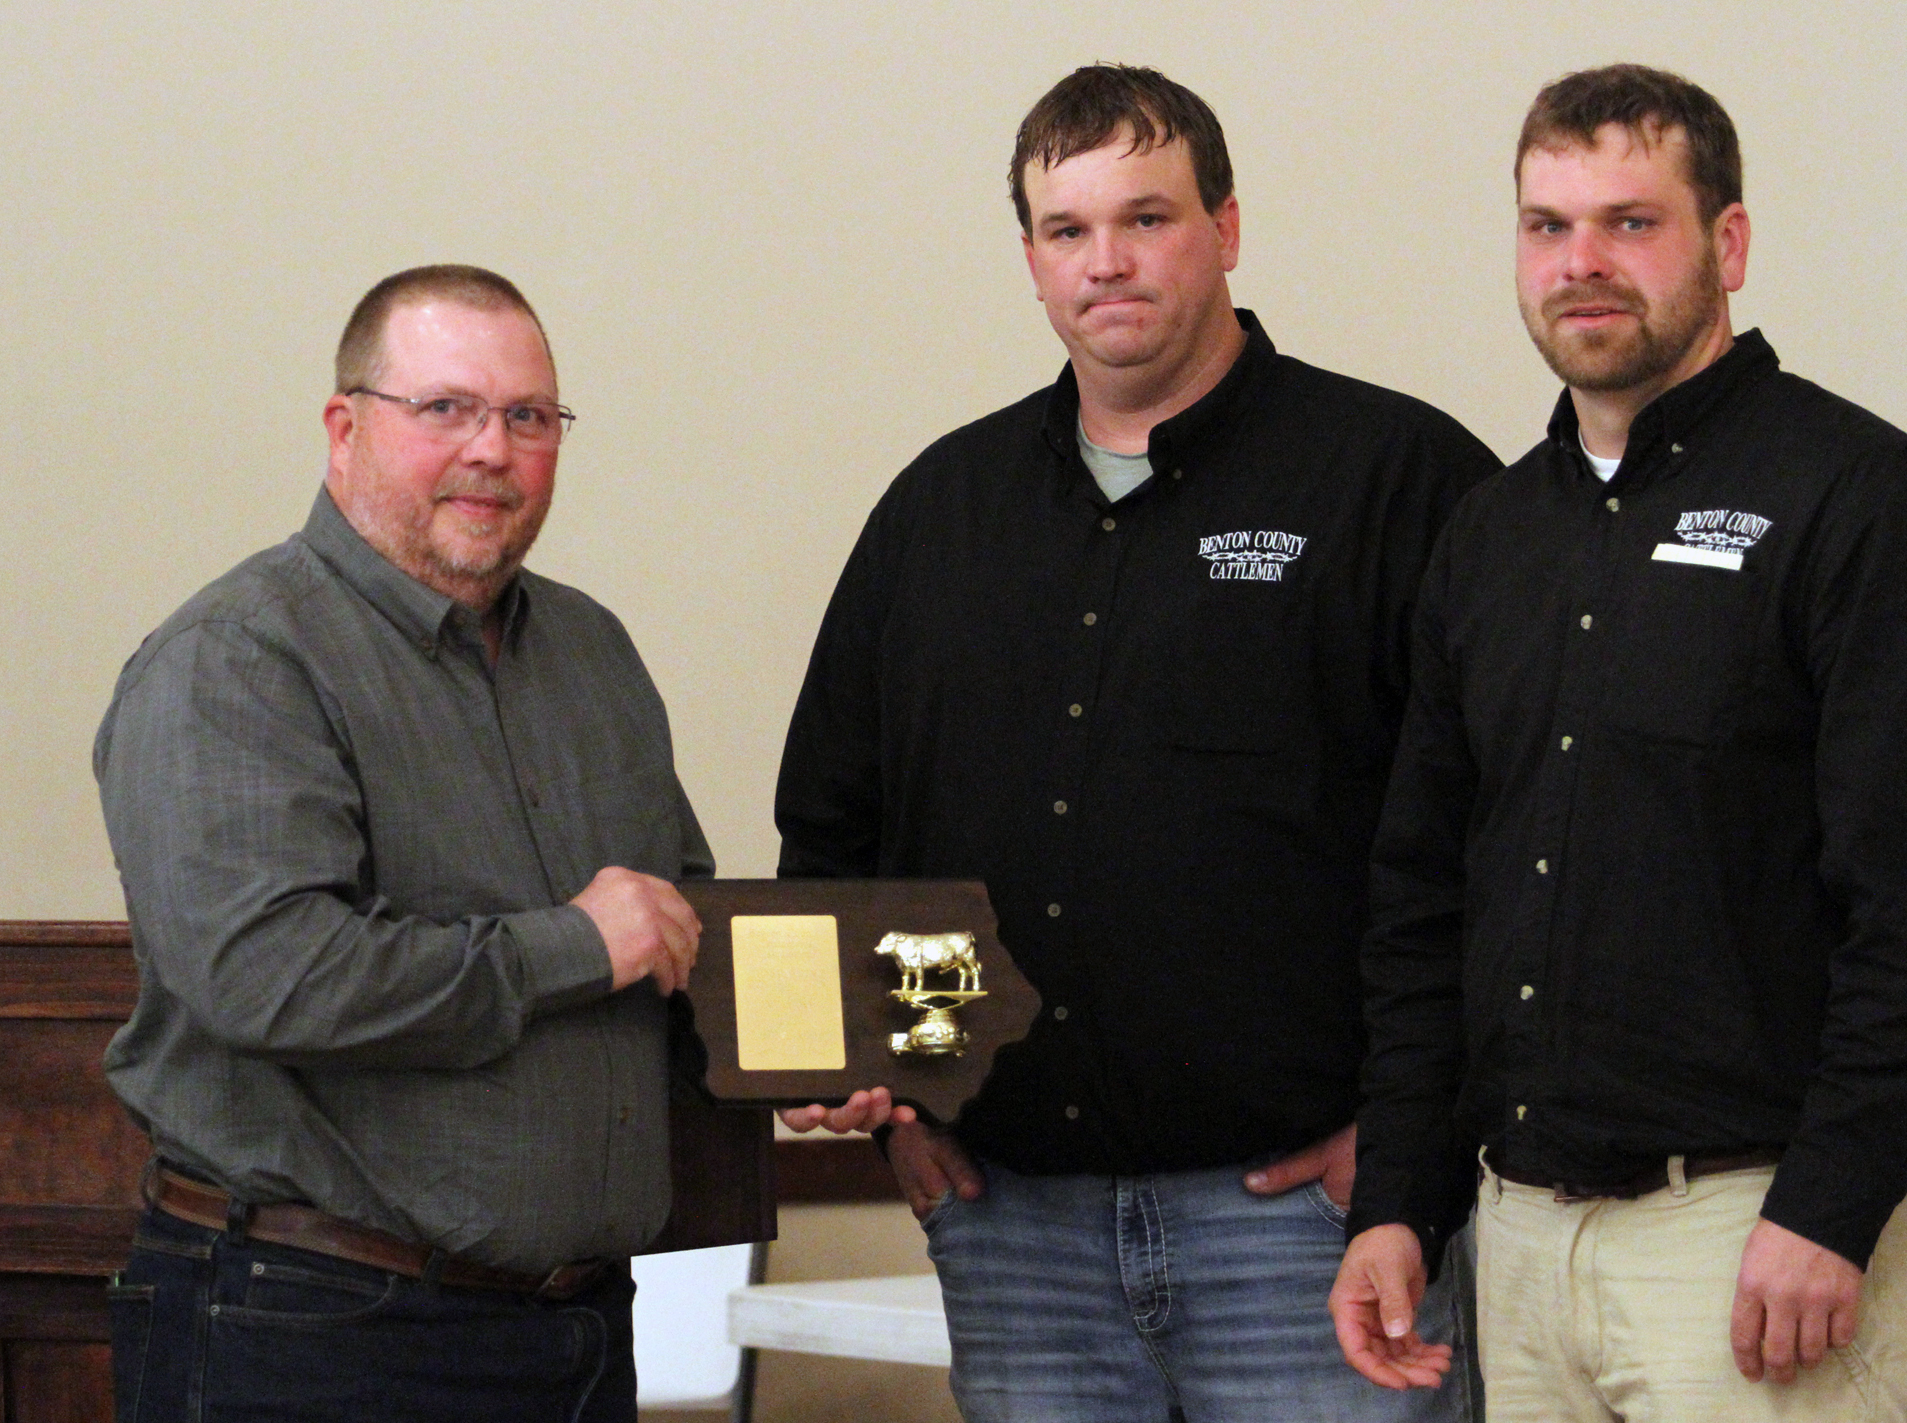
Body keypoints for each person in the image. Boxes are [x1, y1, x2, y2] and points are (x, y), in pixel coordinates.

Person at [776, 64, 1500, 1421]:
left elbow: (1503, 853)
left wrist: (1404, 1152)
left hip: (1306, 1230)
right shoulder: (940, 511)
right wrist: (904, 1085)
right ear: (1031, 258)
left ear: (1224, 226)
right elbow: (842, 831)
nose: (1104, 262)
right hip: (1012, 1233)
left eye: (1146, 218)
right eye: (1065, 230)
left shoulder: (1397, 480)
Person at [1332, 64, 1907, 1421]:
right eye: (1545, 225)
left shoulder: (1851, 496)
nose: (1579, 263)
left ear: (1728, 244)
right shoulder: (1488, 533)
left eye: (1628, 222)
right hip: (1514, 1239)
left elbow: (1900, 898)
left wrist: (1829, 1204)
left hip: (1749, 1236)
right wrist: (1396, 1200)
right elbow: (1421, 899)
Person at [94, 264, 710, 1422]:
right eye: (446, 409)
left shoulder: (593, 653)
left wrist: (811, 1056)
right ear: (344, 428)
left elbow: (673, 922)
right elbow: (267, 975)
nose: (493, 449)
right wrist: (570, 948)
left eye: (529, 417)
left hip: (578, 1336)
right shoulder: (236, 658)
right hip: (312, 1330)